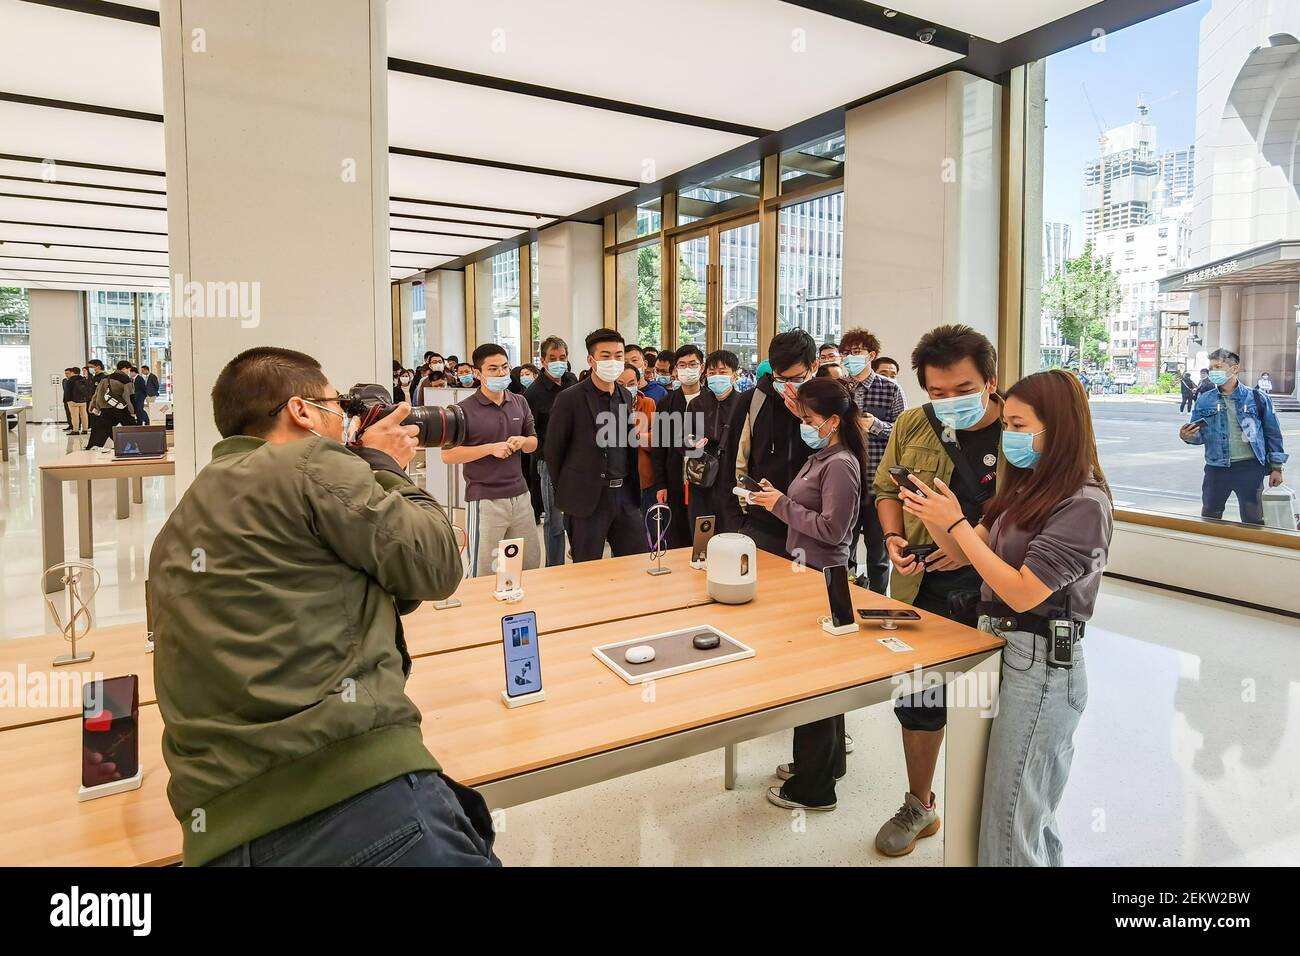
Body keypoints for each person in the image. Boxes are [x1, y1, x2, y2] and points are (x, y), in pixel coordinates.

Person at [149, 346, 494, 867]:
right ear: (302, 410)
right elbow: (437, 563)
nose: (346, 419)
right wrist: (385, 464)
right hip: (356, 800)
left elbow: (341, 590)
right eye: (338, 404)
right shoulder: (308, 460)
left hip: (221, 832)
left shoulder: (182, 518)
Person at [897, 369, 1113, 866]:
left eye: (1019, 425)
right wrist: (938, 518)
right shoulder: (1023, 489)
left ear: (1058, 428)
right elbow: (969, 551)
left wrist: (957, 525)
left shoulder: (1084, 502)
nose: (1009, 436)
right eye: (1008, 426)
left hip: (1039, 662)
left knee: (1013, 813)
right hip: (996, 648)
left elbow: (1021, 592)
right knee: (1012, 811)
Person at [872, 324, 1003, 858]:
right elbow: (886, 488)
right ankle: (920, 802)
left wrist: (978, 539)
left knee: (984, 705)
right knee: (920, 698)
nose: (950, 403)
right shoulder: (912, 424)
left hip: (995, 591)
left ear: (991, 380)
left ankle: (990, 810)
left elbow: (1042, 507)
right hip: (920, 583)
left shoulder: (1021, 429)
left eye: (964, 390)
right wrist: (894, 536)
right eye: (938, 392)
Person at [745, 378, 867, 812]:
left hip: (822, 576)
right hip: (805, 573)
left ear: (833, 421)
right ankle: (821, 765)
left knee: (816, 684)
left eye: (810, 420)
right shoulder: (824, 455)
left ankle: (814, 789)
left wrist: (778, 504)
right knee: (821, 682)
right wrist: (774, 499)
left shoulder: (841, 465)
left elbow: (834, 529)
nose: (804, 426)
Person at [544, 329, 648, 562]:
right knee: (587, 567)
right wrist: (571, 490)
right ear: (591, 360)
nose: (614, 361)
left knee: (635, 562)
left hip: (625, 494)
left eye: (619, 355)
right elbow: (553, 451)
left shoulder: (623, 393)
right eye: (606, 355)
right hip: (588, 498)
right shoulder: (570, 398)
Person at [442, 344, 542, 578]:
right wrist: (489, 449)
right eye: (493, 369)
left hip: (520, 495)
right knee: (483, 568)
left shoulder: (519, 402)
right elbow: (448, 455)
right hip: (484, 499)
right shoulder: (461, 410)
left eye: (505, 368)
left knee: (529, 562)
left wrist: (522, 442)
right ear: (478, 374)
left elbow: (534, 442)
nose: (501, 374)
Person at [727, 330, 818, 557]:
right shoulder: (753, 401)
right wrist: (739, 519)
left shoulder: (828, 401)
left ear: (814, 366)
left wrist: (807, 415)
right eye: (781, 378)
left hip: (814, 525)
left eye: (796, 379)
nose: (787, 386)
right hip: (762, 525)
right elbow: (735, 460)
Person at [1180, 348, 1288, 525]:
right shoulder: (1205, 400)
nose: (1213, 371)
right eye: (1211, 367)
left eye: (1218, 366)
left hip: (1250, 468)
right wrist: (1188, 436)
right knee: (1210, 517)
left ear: (1234, 369)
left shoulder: (1257, 398)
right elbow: (1199, 435)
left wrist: (1277, 467)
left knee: (1253, 520)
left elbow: (1273, 433)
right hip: (1216, 468)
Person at [840, 327, 906, 594]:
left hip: (878, 486)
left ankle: (879, 602)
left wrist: (876, 425)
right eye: (846, 353)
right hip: (846, 483)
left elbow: (903, 435)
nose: (850, 358)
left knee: (879, 556)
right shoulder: (839, 388)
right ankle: (845, 598)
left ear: (871, 355)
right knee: (844, 550)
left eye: (856, 352)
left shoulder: (890, 389)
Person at [525, 335, 578, 566]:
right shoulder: (534, 394)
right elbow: (531, 433)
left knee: (577, 515)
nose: (558, 362)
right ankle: (554, 566)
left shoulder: (572, 380)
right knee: (555, 520)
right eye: (553, 358)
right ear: (543, 361)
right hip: (549, 462)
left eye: (562, 358)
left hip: (577, 459)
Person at [650, 344, 705, 549]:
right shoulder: (667, 403)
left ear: (702, 367)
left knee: (701, 537)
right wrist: (661, 483)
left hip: (703, 484)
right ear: (675, 370)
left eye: (693, 364)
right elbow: (659, 447)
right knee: (675, 537)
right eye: (682, 365)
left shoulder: (711, 401)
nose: (687, 369)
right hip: (674, 482)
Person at [618, 362, 659, 515]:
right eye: (620, 384)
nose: (626, 388)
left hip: (645, 479)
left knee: (648, 527)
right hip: (619, 478)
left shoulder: (648, 403)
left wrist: (634, 435)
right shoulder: (607, 406)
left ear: (638, 383)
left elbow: (657, 439)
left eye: (631, 383)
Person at [86, 360, 136, 449]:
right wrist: (133, 411)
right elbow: (129, 396)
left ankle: (92, 448)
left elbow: (97, 393)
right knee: (132, 429)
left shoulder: (106, 378)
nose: (128, 372)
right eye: (128, 370)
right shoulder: (125, 379)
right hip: (121, 409)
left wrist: (93, 405)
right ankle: (136, 446)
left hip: (106, 409)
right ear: (124, 368)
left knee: (101, 429)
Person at [65, 366, 92, 435]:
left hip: (73, 401)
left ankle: (76, 430)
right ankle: (85, 429)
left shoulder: (70, 380)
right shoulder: (84, 379)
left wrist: (67, 400)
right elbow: (88, 389)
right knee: (84, 415)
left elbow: (67, 391)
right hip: (83, 400)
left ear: (72, 372)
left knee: (74, 416)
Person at [61, 368, 76, 434]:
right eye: (65, 373)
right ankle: (70, 425)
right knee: (68, 413)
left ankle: (75, 426)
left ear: (71, 373)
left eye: (68, 373)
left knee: (73, 414)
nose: (66, 375)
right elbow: (64, 390)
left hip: (73, 400)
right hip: (66, 399)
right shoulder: (64, 380)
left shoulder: (74, 380)